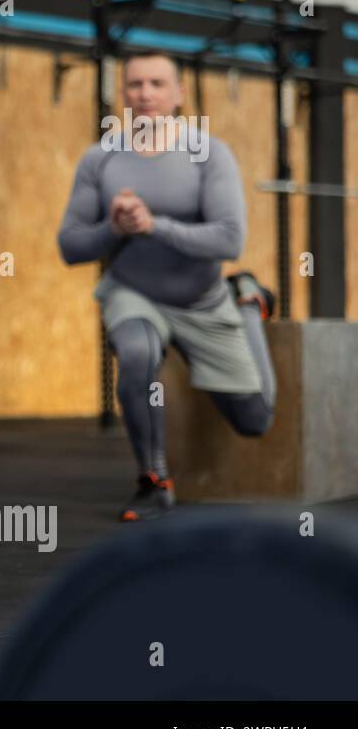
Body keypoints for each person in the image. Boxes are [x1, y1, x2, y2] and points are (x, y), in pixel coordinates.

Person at [57, 51, 276, 522]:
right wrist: (114, 227)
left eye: (157, 84)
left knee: (255, 418)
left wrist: (152, 225)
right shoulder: (101, 158)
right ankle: (153, 481)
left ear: (178, 94)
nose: (146, 94)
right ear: (124, 93)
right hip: (134, 293)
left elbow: (229, 238)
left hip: (204, 299)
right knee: (135, 356)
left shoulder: (209, 154)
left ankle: (248, 302)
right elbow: (71, 246)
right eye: (135, 85)